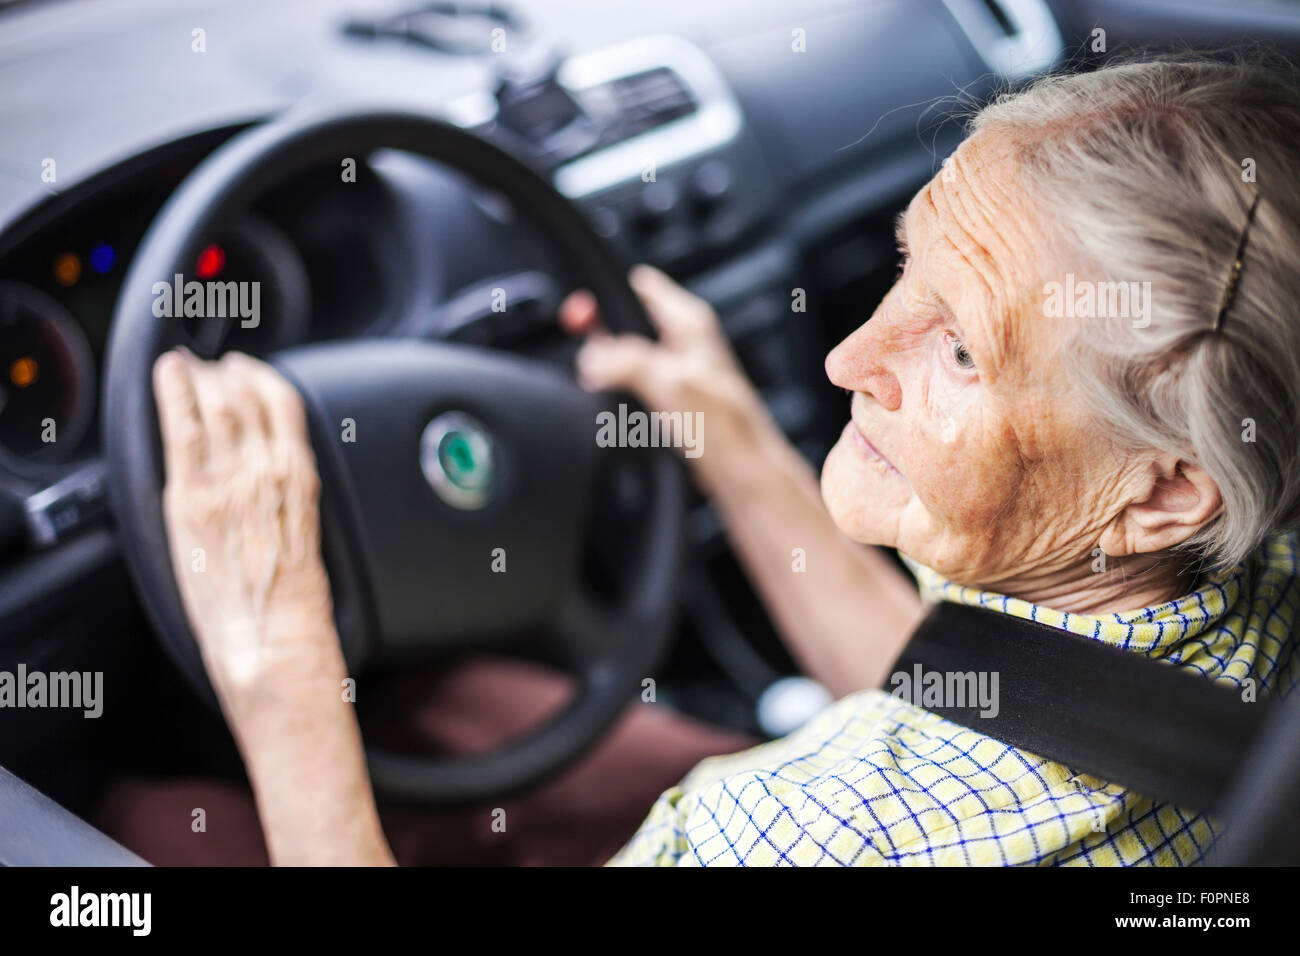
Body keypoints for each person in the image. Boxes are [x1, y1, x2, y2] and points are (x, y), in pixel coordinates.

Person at [99, 51, 1300, 865]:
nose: (844, 358)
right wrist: (731, 439)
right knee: (460, 709)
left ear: (1161, 492)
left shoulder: (796, 835)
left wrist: (281, 659)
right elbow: (993, 690)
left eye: (962, 354)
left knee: (149, 818)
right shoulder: (1245, 552)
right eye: (903, 272)